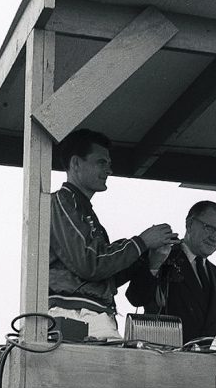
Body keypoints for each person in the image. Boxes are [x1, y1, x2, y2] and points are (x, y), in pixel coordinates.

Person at [49, 129, 175, 338]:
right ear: (76, 164)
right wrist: (141, 242)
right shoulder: (62, 202)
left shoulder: (82, 210)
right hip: (75, 313)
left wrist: (149, 257)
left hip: (92, 313)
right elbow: (91, 264)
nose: (109, 170)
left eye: (109, 163)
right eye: (101, 162)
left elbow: (104, 276)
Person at [126, 200, 216, 344]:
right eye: (209, 228)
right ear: (190, 224)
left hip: (206, 356)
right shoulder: (162, 255)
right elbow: (136, 298)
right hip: (164, 352)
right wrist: (154, 264)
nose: (215, 237)